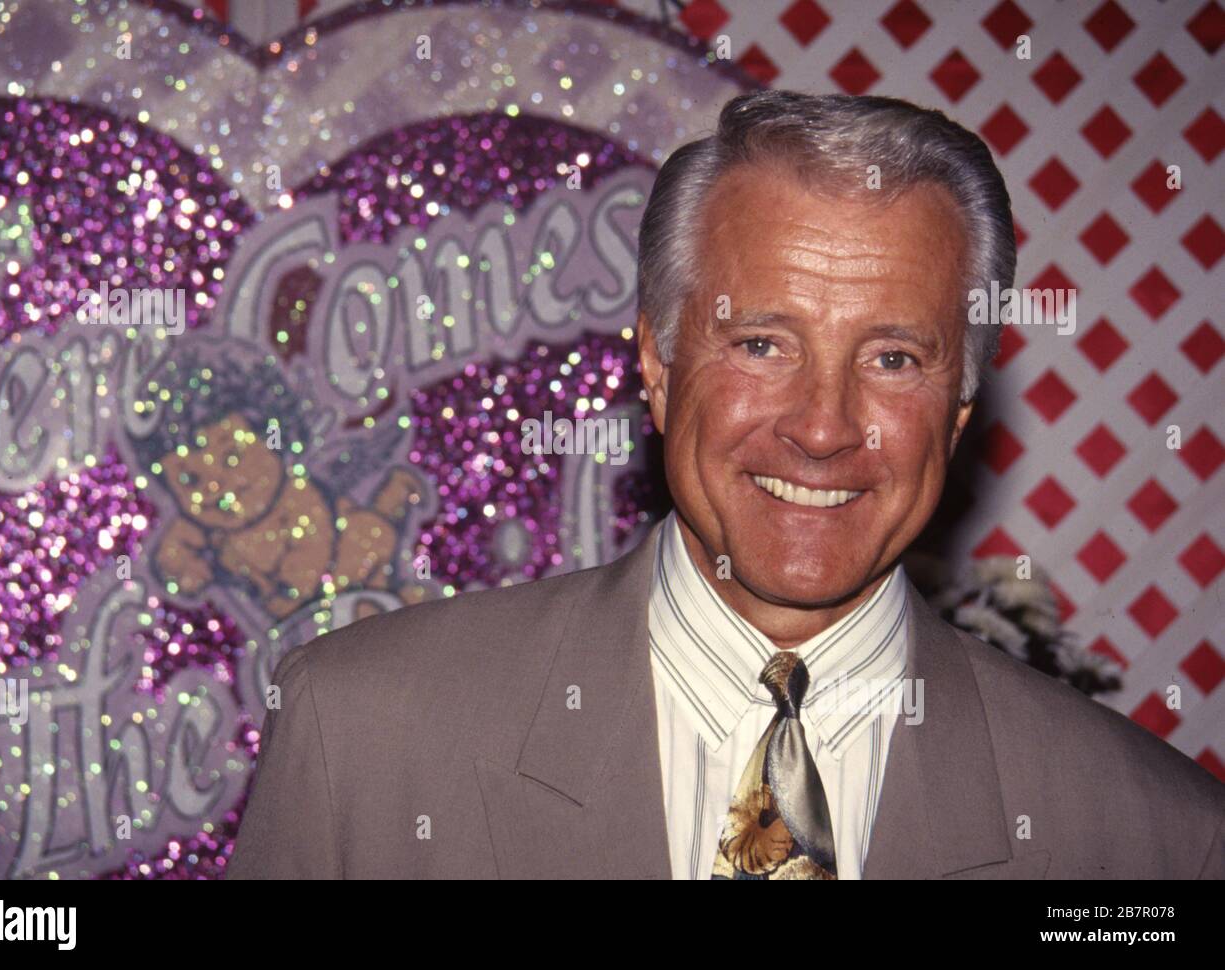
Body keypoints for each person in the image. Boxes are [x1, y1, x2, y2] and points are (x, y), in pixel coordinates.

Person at [227, 91, 1224, 880]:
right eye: (760, 343)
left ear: (959, 407)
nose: (823, 426)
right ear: (655, 366)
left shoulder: (1155, 838)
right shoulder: (360, 737)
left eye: (891, 359)